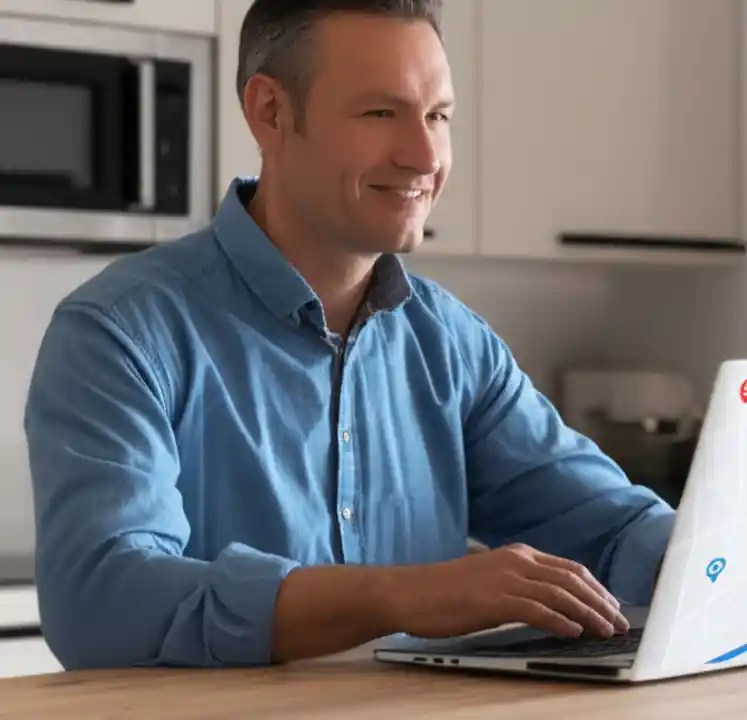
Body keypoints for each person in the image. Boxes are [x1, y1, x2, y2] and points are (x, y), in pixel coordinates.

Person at [23, 0, 674, 670]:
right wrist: (400, 595)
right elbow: (102, 604)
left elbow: (616, 530)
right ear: (270, 112)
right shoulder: (120, 333)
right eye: (380, 113)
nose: (426, 155)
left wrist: (738, 548)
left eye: (438, 115)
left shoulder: (453, 346)